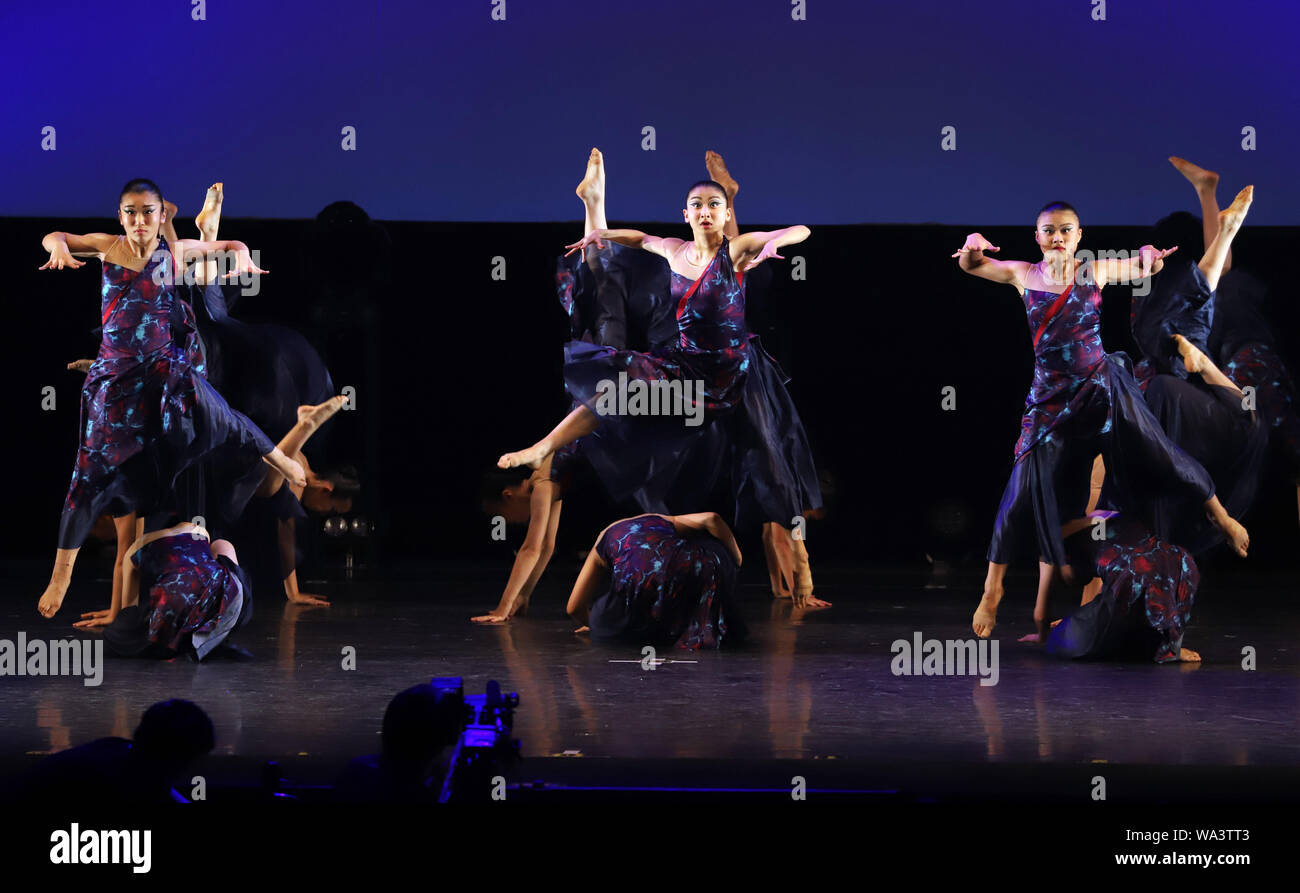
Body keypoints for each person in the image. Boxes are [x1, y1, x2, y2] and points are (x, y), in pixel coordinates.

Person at [499, 171, 826, 607]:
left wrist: (775, 241)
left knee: (769, 466)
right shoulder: (675, 251)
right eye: (697, 204)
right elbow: (639, 238)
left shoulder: (738, 250)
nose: (705, 211)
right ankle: (543, 446)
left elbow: (801, 229)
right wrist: (602, 232)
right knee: (619, 385)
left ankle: (801, 573)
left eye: (714, 204)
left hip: (732, 379)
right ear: (686, 214)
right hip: (688, 371)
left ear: (726, 214)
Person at [954, 194, 1253, 638]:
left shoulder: (1094, 271)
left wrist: (1150, 261)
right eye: (1049, 230)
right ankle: (992, 590)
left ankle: (1218, 512)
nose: (1057, 237)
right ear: (1037, 237)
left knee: (1160, 452)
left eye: (1065, 230)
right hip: (1050, 401)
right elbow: (973, 267)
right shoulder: (1022, 274)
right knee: (1020, 491)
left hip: (1101, 391)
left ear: (1079, 237)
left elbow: (1139, 267)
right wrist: (973, 247)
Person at [36, 178, 304, 621]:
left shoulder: (171, 254)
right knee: (87, 474)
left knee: (220, 411)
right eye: (130, 212)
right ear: (120, 217)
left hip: (165, 369)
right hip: (115, 378)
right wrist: (58, 246)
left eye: (148, 212)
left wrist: (236, 251)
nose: (138, 220)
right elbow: (58, 236)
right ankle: (62, 572)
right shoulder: (108, 247)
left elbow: (226, 248)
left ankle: (279, 458)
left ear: (162, 218)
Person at [566, 512, 746, 649]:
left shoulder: (604, 539)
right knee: (705, 555)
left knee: (618, 605)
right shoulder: (665, 520)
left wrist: (596, 625)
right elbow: (712, 518)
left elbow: (574, 607)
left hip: (639, 581)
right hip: (692, 567)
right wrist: (736, 557)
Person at [1046, 511, 1202, 663]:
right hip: (1182, 564)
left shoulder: (1063, 538)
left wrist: (1048, 630)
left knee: (1059, 640)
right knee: (1139, 582)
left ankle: (1161, 647)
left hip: (1137, 573)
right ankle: (1170, 646)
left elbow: (1071, 578)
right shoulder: (1107, 518)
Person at [97, 520, 253, 660]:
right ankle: (198, 624)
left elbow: (129, 609)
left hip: (172, 607)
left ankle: (178, 632)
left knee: (119, 632)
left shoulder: (135, 548)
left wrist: (118, 620)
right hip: (225, 596)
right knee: (222, 546)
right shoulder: (200, 532)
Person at [21, 699, 216, 805]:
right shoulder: (116, 783)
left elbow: (160, 787)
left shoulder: (120, 749)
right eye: (187, 761)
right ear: (175, 760)